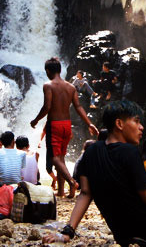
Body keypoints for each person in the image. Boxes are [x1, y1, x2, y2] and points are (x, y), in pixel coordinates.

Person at [49, 100, 146, 246]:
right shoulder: (129, 151)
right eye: (136, 121)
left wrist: (68, 232)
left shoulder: (91, 152)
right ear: (119, 124)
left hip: (123, 234)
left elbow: (85, 194)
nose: (141, 127)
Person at [30, 56, 100, 198]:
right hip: (67, 126)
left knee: (54, 157)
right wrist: (89, 123)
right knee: (61, 158)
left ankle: (72, 182)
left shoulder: (48, 85)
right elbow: (78, 106)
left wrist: (36, 120)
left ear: (48, 71)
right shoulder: (71, 87)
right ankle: (61, 191)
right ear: (60, 70)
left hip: (54, 124)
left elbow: (47, 106)